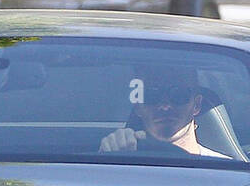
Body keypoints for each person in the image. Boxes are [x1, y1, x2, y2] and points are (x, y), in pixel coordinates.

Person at [98, 65, 231, 157]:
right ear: (138, 106)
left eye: (178, 95)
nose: (165, 106)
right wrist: (109, 156)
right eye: (152, 96)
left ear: (196, 105)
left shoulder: (228, 173)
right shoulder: (119, 158)